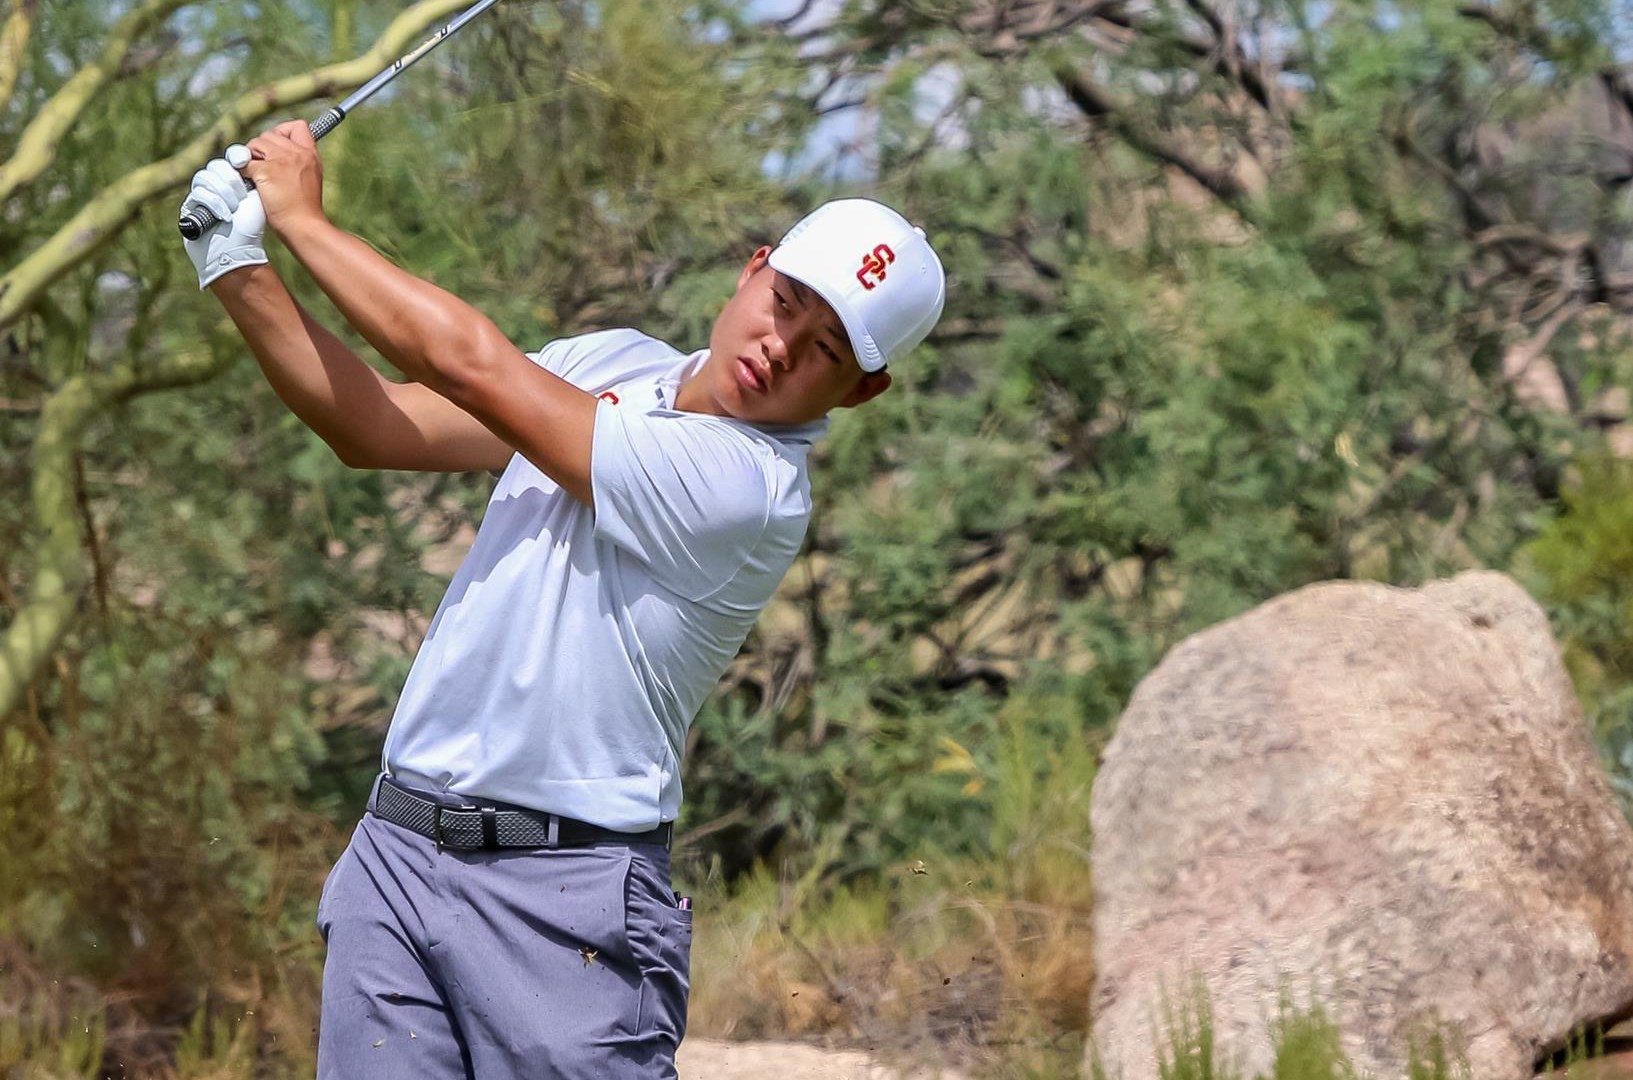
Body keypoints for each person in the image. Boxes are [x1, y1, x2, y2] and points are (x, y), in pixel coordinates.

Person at [178, 120, 947, 1080]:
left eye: (827, 347)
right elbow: (375, 425)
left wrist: (301, 218)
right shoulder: (612, 363)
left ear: (862, 390)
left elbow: (473, 365)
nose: (782, 345)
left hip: (564, 902)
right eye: (787, 301)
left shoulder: (748, 489)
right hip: (397, 855)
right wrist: (236, 264)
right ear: (753, 270)